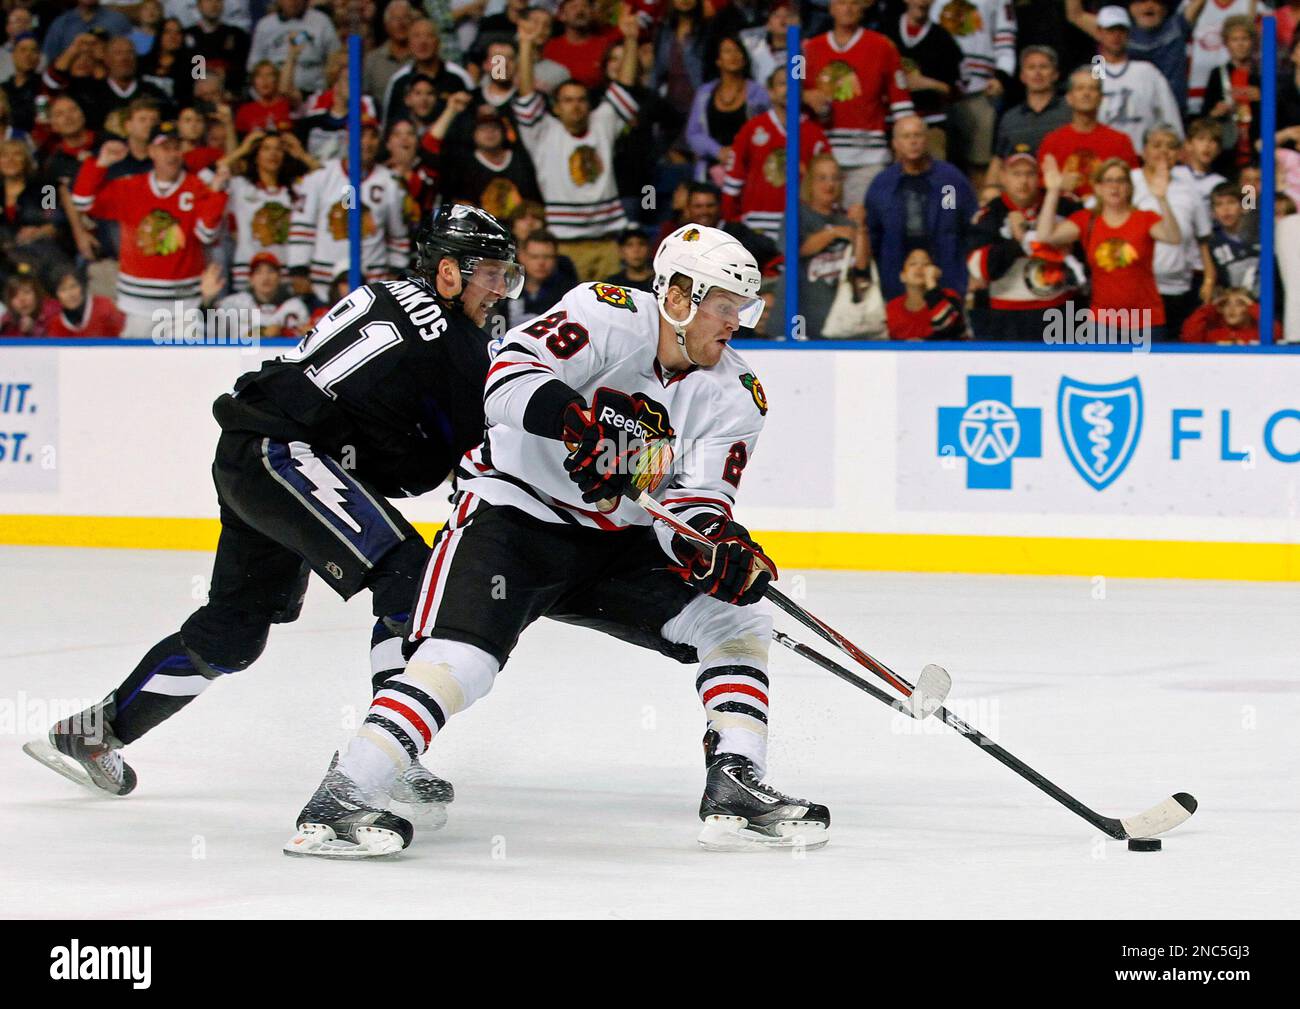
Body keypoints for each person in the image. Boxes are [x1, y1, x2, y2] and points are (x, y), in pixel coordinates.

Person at [286, 221, 830, 858]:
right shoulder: (605, 315)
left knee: (737, 621)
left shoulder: (737, 393)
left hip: (615, 543)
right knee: (464, 664)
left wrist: (715, 544)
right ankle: (341, 796)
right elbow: (509, 377)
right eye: (725, 306)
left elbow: (695, 501)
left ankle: (737, 780)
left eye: (744, 308)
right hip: (512, 516)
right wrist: (576, 423)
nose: (736, 322)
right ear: (679, 298)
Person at [26, 205, 524, 813]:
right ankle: (384, 758)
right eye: (492, 275)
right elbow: (448, 455)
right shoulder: (458, 343)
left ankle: (92, 735)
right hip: (285, 454)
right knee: (409, 573)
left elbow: (366, 407)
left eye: (506, 276)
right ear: (449, 272)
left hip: (249, 451)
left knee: (234, 632)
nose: (500, 291)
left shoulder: (385, 292)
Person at [512, 9, 640, 281]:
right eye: (568, 100)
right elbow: (525, 95)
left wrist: (630, 40)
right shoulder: (542, 131)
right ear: (556, 108)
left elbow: (626, 87)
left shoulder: (602, 121)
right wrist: (525, 45)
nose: (576, 106)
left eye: (581, 99)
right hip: (565, 246)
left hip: (609, 241)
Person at [71, 121, 229, 338]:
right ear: (151, 151)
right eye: (165, 148)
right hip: (138, 305)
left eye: (176, 148)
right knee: (136, 369)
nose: (172, 155)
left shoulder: (196, 187)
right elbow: (82, 202)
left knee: (188, 367)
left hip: (186, 305)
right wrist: (100, 164)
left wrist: (217, 193)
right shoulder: (130, 187)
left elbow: (207, 234)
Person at [1037, 153, 1183, 342]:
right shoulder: (1086, 220)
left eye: (1121, 181)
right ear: (1097, 188)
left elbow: (1173, 237)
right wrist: (1053, 191)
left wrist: (1162, 199)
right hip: (1102, 322)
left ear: (1129, 187)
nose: (1114, 186)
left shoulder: (1145, 218)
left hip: (1146, 321)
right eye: (1108, 181)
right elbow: (1044, 235)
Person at [803, 0, 914, 208]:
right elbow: (788, 85)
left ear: (863, 8)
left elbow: (901, 103)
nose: (848, 8)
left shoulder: (883, 46)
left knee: (863, 224)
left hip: (869, 157)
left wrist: (903, 144)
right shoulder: (808, 49)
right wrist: (804, 94)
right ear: (831, 7)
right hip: (823, 155)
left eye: (854, 2)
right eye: (841, 2)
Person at [966, 146, 1084, 341]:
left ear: (1039, 176)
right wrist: (1017, 243)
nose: (1023, 181)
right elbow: (981, 269)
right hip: (1007, 317)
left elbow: (1087, 253)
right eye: (1016, 174)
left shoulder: (1064, 204)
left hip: (1060, 312)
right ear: (1003, 176)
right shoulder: (990, 215)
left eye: (1030, 173)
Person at [289, 119, 409, 299]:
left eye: (373, 136)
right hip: (323, 283)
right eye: (361, 135)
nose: (367, 143)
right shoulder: (320, 176)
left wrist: (395, 272)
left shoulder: (390, 182)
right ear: (347, 138)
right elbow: (302, 226)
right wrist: (299, 269)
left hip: (372, 283)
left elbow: (397, 234)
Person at [865, 114, 977, 302]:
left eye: (918, 135)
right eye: (906, 137)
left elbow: (971, 226)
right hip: (897, 280)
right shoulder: (882, 184)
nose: (913, 141)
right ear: (895, 143)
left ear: (927, 140)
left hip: (947, 274)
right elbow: (873, 236)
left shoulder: (949, 180)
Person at [721, 67, 832, 242]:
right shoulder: (751, 130)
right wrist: (732, 223)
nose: (789, 89)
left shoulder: (815, 134)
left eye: (794, 84)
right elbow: (733, 182)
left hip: (801, 224)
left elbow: (826, 183)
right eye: (782, 84)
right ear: (770, 91)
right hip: (755, 225)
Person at [1130, 124, 1215, 338]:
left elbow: (1202, 238)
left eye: (1171, 147)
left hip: (1178, 289)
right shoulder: (1129, 182)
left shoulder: (1188, 188)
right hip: (1136, 288)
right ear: (1143, 151)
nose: (1164, 152)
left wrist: (1209, 277)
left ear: (1179, 153)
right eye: (1157, 145)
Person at [928, 0, 1016, 183]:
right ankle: (946, 209)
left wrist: (1002, 76)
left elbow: (1005, 42)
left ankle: (977, 210)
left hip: (980, 90)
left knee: (979, 164)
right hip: (937, 93)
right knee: (940, 166)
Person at [1037, 67, 1140, 200]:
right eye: (1080, 88)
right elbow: (1037, 185)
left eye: (1092, 88)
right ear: (1069, 98)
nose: (1086, 93)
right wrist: (1059, 184)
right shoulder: (1052, 141)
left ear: (1101, 98)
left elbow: (1133, 185)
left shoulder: (1120, 141)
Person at [1091, 5, 1184, 152]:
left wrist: (1178, 147)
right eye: (1110, 30)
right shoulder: (1094, 71)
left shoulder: (1147, 72)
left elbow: (1169, 116)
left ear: (1129, 33)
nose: (1116, 36)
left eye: (1121, 30)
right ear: (1099, 33)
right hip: (1102, 158)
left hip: (1142, 156)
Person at [799, 152, 872, 338]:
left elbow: (862, 265)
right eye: (822, 178)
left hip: (840, 319)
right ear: (810, 182)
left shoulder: (846, 220)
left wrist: (861, 227)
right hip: (802, 318)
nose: (829, 184)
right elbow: (796, 250)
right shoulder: (797, 213)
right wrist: (833, 232)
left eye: (834, 178)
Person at [985, 46, 1072, 199]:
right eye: (1031, 67)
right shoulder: (1009, 118)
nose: (1037, 73)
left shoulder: (1070, 113)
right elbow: (998, 160)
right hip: (1020, 195)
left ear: (1055, 74)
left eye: (1044, 67)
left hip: (1062, 193)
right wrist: (989, 191)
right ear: (1023, 76)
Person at [884, 0, 963, 161]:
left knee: (937, 175)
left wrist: (925, 83)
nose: (921, 2)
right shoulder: (885, 33)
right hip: (891, 124)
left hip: (930, 123)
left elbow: (955, 91)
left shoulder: (943, 38)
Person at [246, 0, 340, 98]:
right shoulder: (265, 25)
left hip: (315, 93)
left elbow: (335, 57)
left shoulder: (322, 21)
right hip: (276, 96)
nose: (293, 2)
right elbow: (254, 66)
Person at [886, 246, 967, 339]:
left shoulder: (949, 296)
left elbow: (944, 325)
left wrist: (931, 282)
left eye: (926, 264)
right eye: (913, 263)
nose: (919, 267)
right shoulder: (892, 308)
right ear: (902, 276)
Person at [44, 266, 126, 337]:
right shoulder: (56, 324)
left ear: (82, 286)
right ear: (56, 295)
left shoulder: (105, 307)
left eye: (73, 286)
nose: (70, 294)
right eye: (63, 290)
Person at [603, 225, 655, 292]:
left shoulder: (660, 283)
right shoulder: (612, 285)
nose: (636, 250)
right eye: (629, 245)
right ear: (621, 251)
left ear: (649, 249)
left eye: (642, 244)